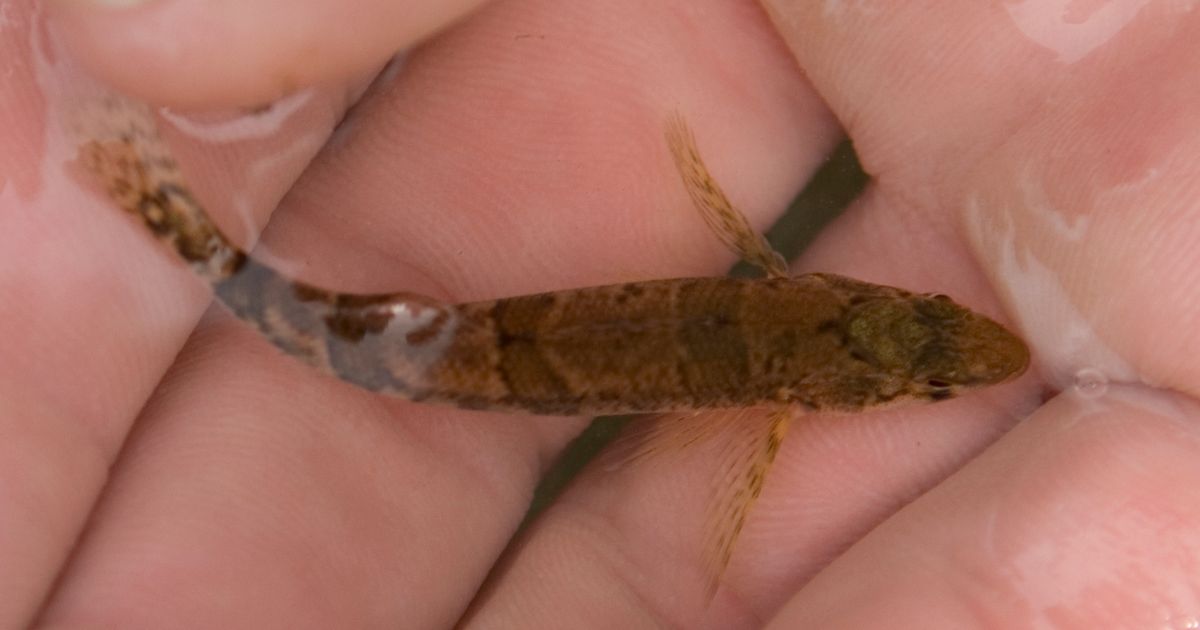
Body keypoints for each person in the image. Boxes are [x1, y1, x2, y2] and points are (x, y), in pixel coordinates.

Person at [4, 0, 1196, 627]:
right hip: (459, 349)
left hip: (477, 344)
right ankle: (167, 215)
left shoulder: (785, 307)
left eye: (927, 364)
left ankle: (167, 215)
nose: (950, 359)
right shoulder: (780, 409)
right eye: (931, 363)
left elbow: (706, 189)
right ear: (821, 375)